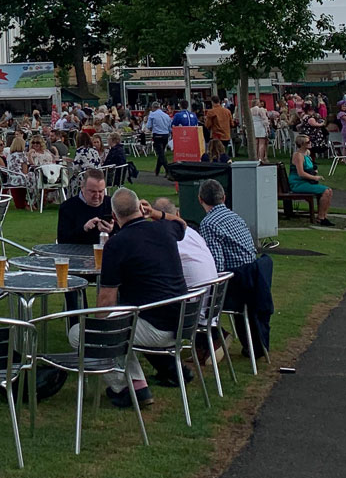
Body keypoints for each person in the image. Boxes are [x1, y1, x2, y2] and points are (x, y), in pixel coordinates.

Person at [96, 188, 189, 408]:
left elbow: (106, 300)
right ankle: (138, 385)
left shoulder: (117, 244)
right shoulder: (164, 230)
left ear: (114, 216)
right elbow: (182, 224)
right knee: (117, 323)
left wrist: (94, 327)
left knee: (84, 333)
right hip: (184, 321)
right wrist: (156, 214)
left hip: (156, 327)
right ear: (140, 208)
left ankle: (126, 386)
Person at [195, 179, 258, 272]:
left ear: (200, 199)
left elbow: (217, 266)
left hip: (236, 278)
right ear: (224, 198)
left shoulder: (209, 224)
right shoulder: (236, 217)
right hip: (253, 274)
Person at [285, 134, 334, 225]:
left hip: (307, 182)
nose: (310, 143)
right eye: (308, 142)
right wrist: (315, 177)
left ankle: (323, 215)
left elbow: (309, 168)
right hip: (298, 183)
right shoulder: (298, 155)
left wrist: (314, 171)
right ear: (302, 144)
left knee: (329, 191)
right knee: (326, 191)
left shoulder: (307, 153)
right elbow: (301, 173)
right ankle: (321, 217)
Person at [57, 167, 114, 244]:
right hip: (77, 253)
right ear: (82, 188)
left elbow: (125, 235)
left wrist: (111, 230)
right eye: (92, 191)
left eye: (100, 191)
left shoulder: (112, 204)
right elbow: (62, 241)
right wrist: (84, 229)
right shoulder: (68, 207)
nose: (97, 195)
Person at [144, 102, 172, 176]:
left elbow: (148, 126)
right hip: (166, 135)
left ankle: (168, 170)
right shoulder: (166, 115)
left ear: (153, 108)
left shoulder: (152, 115)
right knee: (161, 152)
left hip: (157, 135)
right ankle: (157, 170)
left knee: (161, 153)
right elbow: (170, 128)